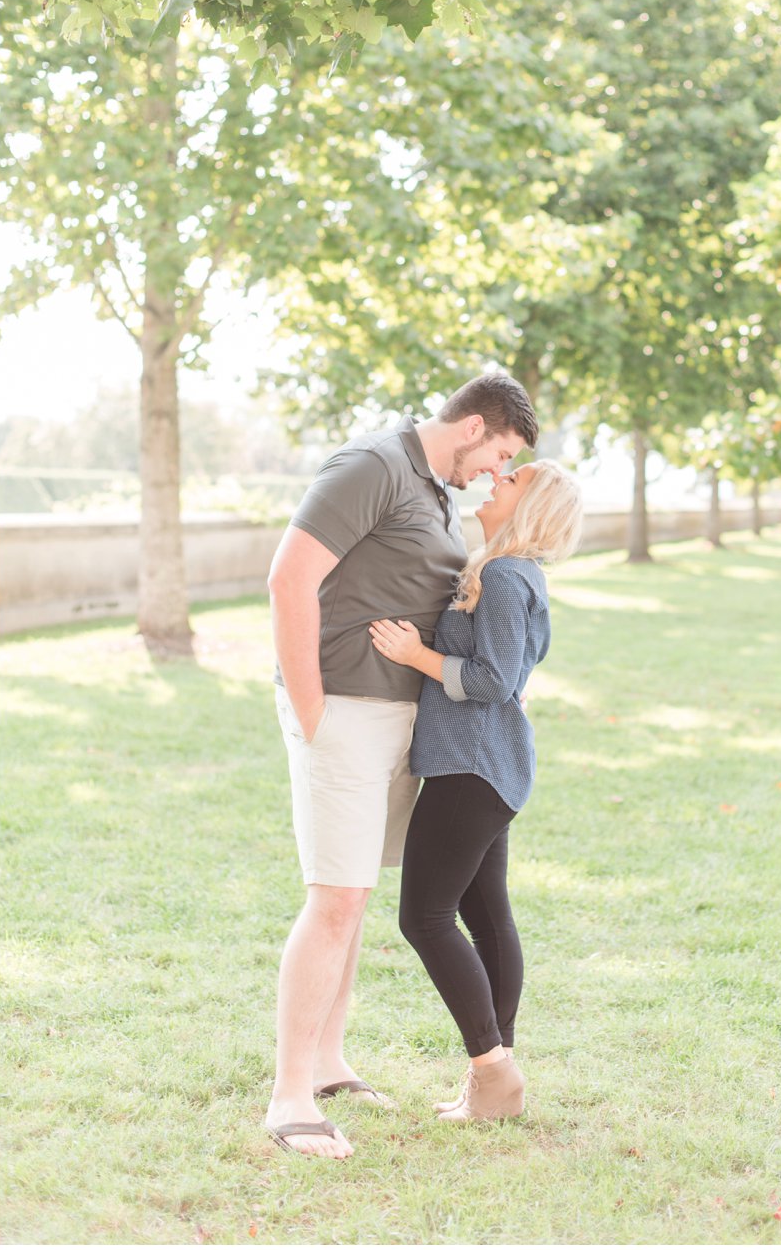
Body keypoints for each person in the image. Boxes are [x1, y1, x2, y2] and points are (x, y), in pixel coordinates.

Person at [260, 372, 537, 1161]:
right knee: (336, 897)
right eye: (499, 455)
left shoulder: (435, 490)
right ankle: (289, 1097)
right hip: (342, 713)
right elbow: (289, 579)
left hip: (399, 721)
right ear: (474, 425)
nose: (494, 473)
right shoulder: (374, 466)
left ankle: (327, 1062)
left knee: (356, 892)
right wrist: (310, 706)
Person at [369, 460, 584, 1122]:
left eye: (513, 479)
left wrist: (416, 656)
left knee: (424, 917)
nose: (497, 479)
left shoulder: (501, 574)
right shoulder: (515, 575)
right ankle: (496, 1077)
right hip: (490, 768)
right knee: (488, 917)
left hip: (472, 769)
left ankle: (492, 1066)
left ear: (531, 506)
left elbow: (492, 679)